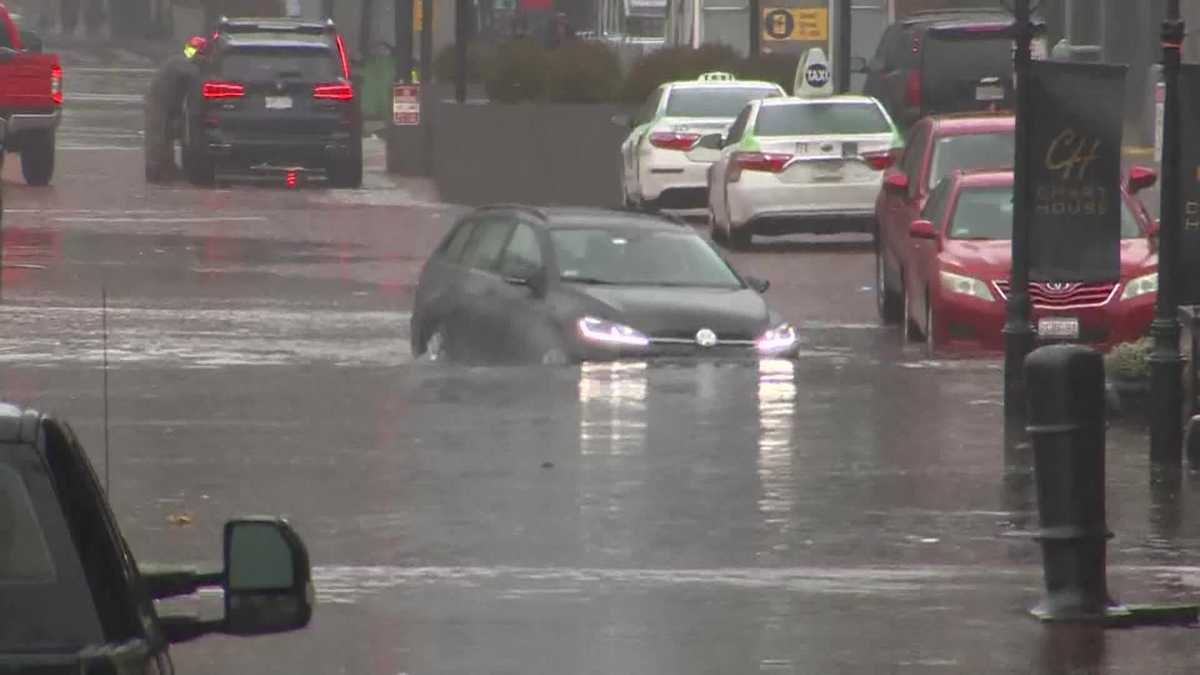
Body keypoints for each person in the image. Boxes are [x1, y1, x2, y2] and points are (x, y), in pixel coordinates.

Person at [143, 36, 208, 183]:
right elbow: (194, 79)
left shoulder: (180, 60)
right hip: (158, 103)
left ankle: (167, 169)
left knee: (167, 136)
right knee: (158, 137)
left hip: (169, 104)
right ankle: (155, 171)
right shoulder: (183, 63)